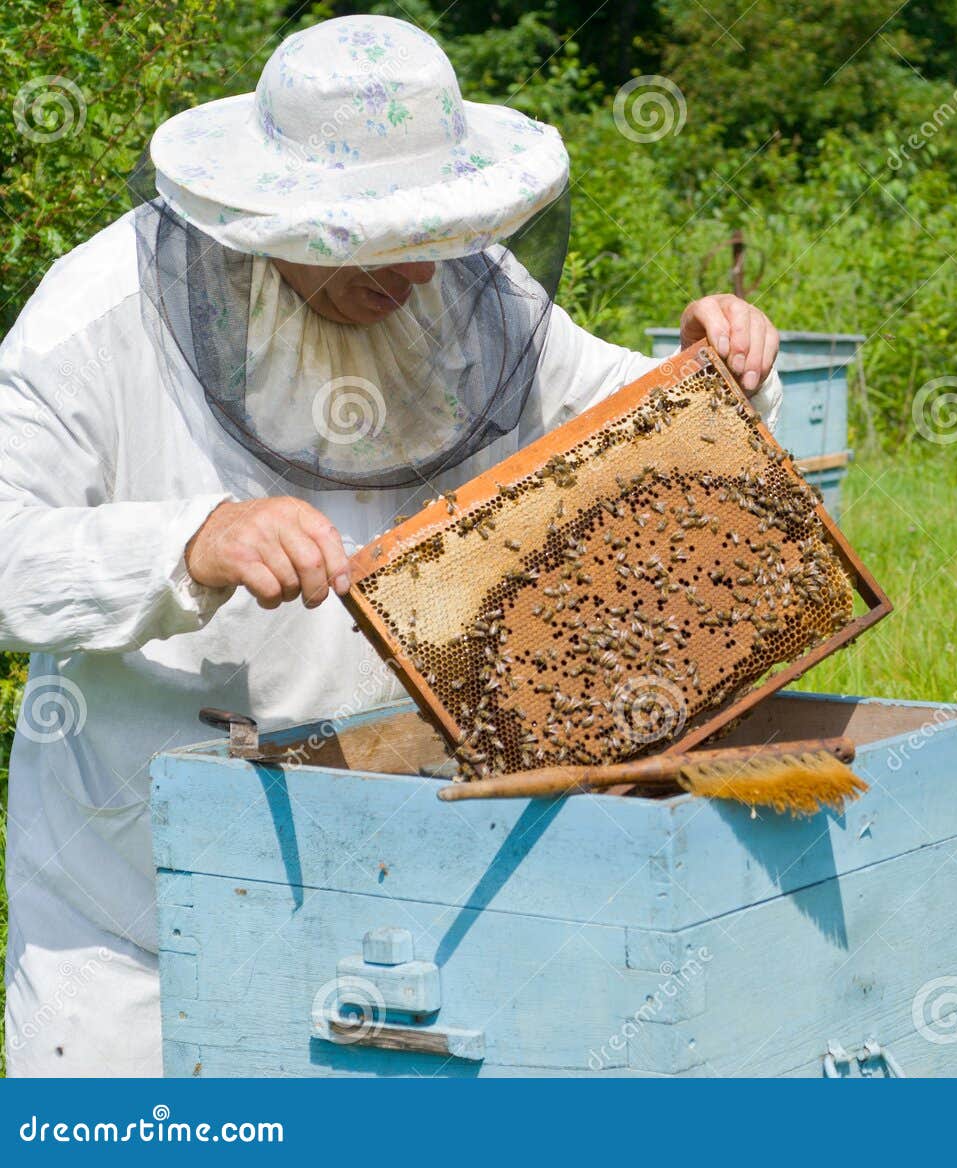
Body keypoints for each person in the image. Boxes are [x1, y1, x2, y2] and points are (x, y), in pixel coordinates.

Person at [0, 14, 783, 1076]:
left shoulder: (465, 285)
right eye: (383, 242)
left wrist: (709, 371)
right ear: (272, 214)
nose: (419, 273)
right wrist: (190, 544)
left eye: (435, 235)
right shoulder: (96, 319)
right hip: (132, 914)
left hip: (411, 870)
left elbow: (609, 416)